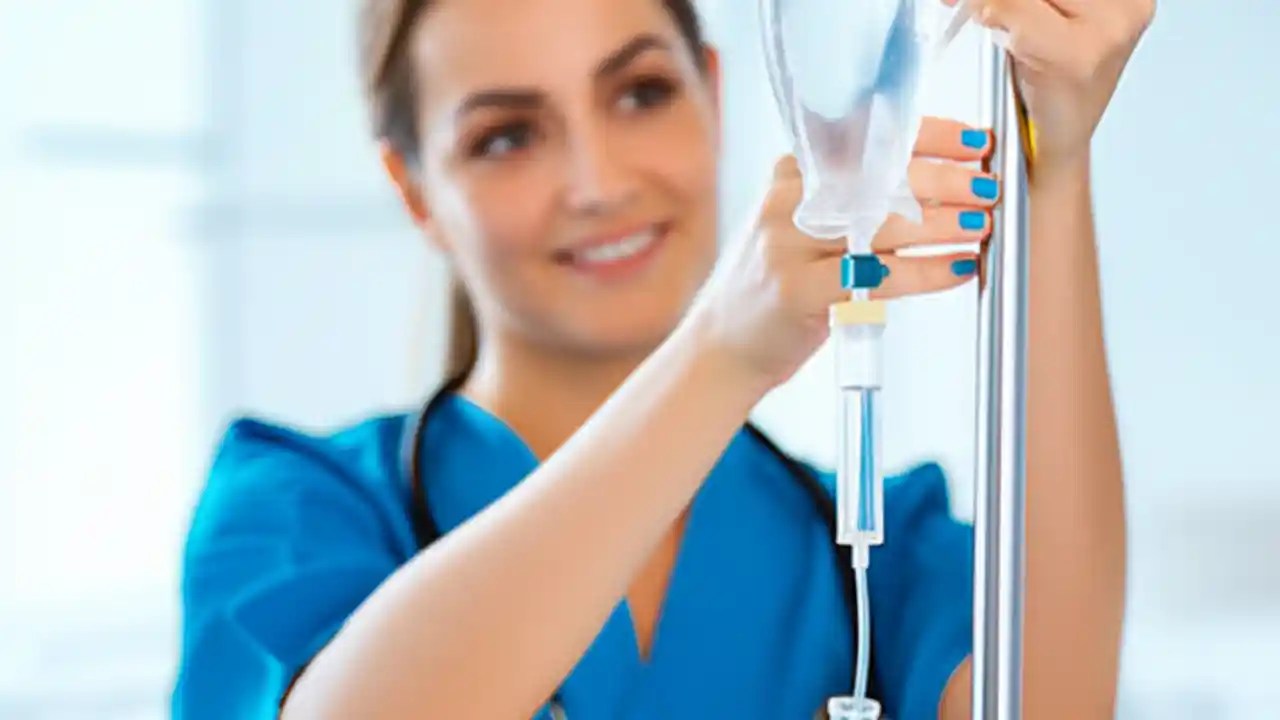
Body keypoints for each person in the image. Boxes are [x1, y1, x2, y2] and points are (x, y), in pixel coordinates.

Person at [172, 0, 1152, 717]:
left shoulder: (878, 551)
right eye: (506, 136)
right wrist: (722, 350)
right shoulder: (295, 513)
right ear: (414, 189)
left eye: (639, 92)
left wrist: (1049, 160)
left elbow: (1049, 704)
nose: (596, 183)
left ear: (713, 97)